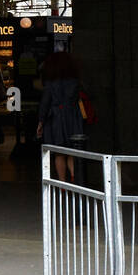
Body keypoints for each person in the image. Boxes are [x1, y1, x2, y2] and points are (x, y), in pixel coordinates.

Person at [37, 51, 85, 182]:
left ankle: (62, 183)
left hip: (56, 119)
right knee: (71, 151)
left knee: (59, 153)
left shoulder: (50, 84)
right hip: (73, 117)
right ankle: (74, 178)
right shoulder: (75, 82)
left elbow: (45, 104)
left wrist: (40, 122)